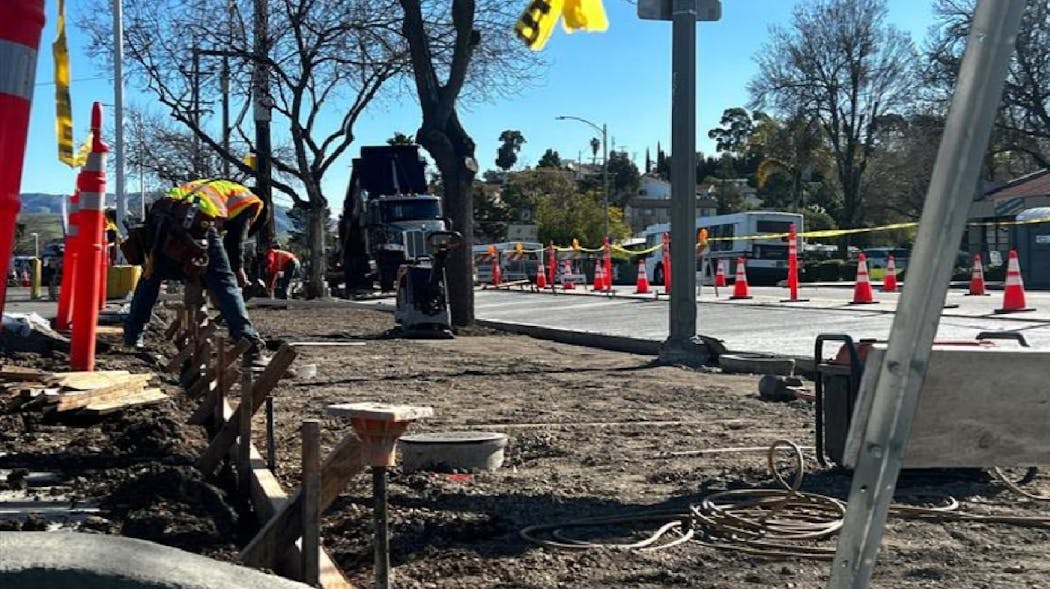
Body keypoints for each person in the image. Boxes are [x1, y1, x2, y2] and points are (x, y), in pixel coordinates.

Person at [122, 179, 268, 357]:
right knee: (225, 281)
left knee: (151, 276)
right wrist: (239, 272)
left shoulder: (215, 186)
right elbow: (235, 241)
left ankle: (133, 335)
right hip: (197, 220)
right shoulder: (252, 201)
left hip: (160, 218)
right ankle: (248, 341)